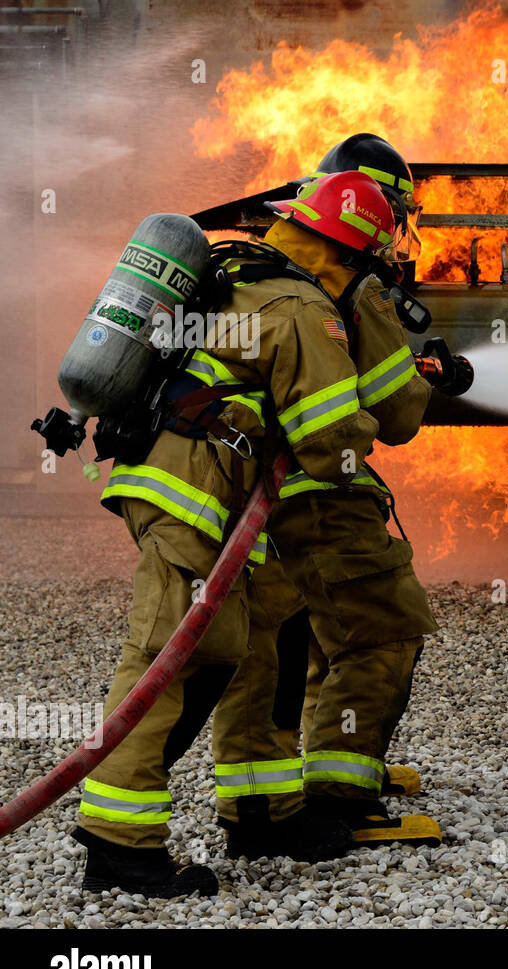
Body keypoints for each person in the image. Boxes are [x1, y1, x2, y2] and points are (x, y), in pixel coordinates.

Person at [74, 170, 396, 897]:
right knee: (164, 659)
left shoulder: (232, 272)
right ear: (342, 255)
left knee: (231, 644)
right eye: (362, 266)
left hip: (185, 490)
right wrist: (368, 434)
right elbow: (331, 437)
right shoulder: (301, 306)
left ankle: (261, 814)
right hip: (187, 495)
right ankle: (115, 841)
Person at [212, 141, 441, 858]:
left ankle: (294, 790)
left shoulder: (253, 264)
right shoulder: (352, 280)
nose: (394, 233)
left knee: (300, 637)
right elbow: (396, 415)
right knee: (382, 628)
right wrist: (424, 375)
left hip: (242, 492)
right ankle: (343, 796)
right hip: (320, 491)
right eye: (392, 216)